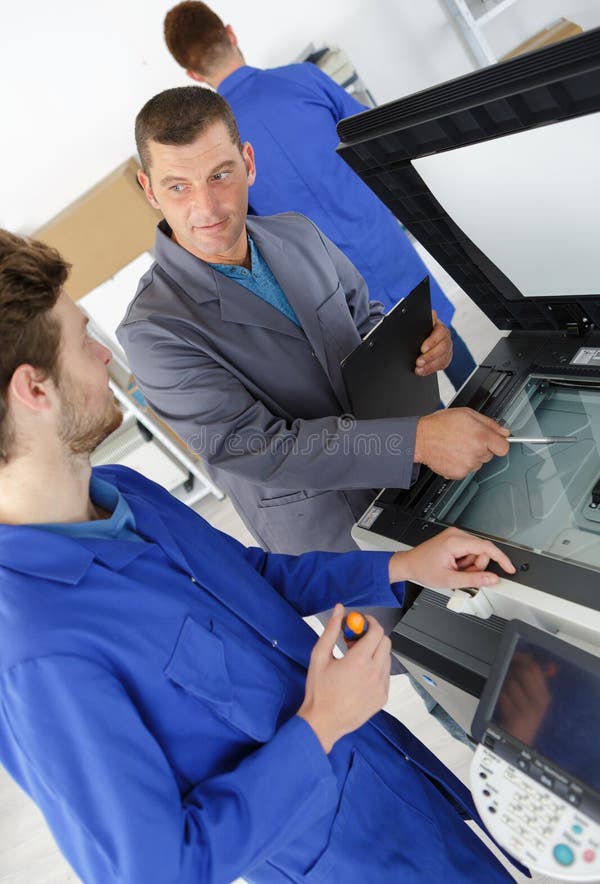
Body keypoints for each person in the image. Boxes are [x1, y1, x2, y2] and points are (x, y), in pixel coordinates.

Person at [0, 228, 522, 884]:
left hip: (396, 784)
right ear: (34, 390)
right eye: (83, 339)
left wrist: (400, 567)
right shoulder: (33, 648)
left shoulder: (119, 493)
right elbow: (158, 870)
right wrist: (321, 723)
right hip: (348, 863)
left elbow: (250, 577)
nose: (105, 355)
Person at [117, 86, 510, 560]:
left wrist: (424, 346)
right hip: (332, 539)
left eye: (220, 175)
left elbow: (365, 319)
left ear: (248, 162)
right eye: (178, 186)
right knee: (415, 636)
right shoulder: (153, 330)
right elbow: (253, 445)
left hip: (421, 480)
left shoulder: (298, 234)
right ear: (149, 190)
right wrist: (416, 440)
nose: (206, 207)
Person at [163, 0, 477, 392]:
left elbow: (242, 230)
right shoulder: (303, 78)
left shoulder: (219, 143)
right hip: (379, 239)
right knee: (441, 335)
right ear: (230, 33)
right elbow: (373, 136)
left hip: (331, 281)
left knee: (404, 390)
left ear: (192, 73)